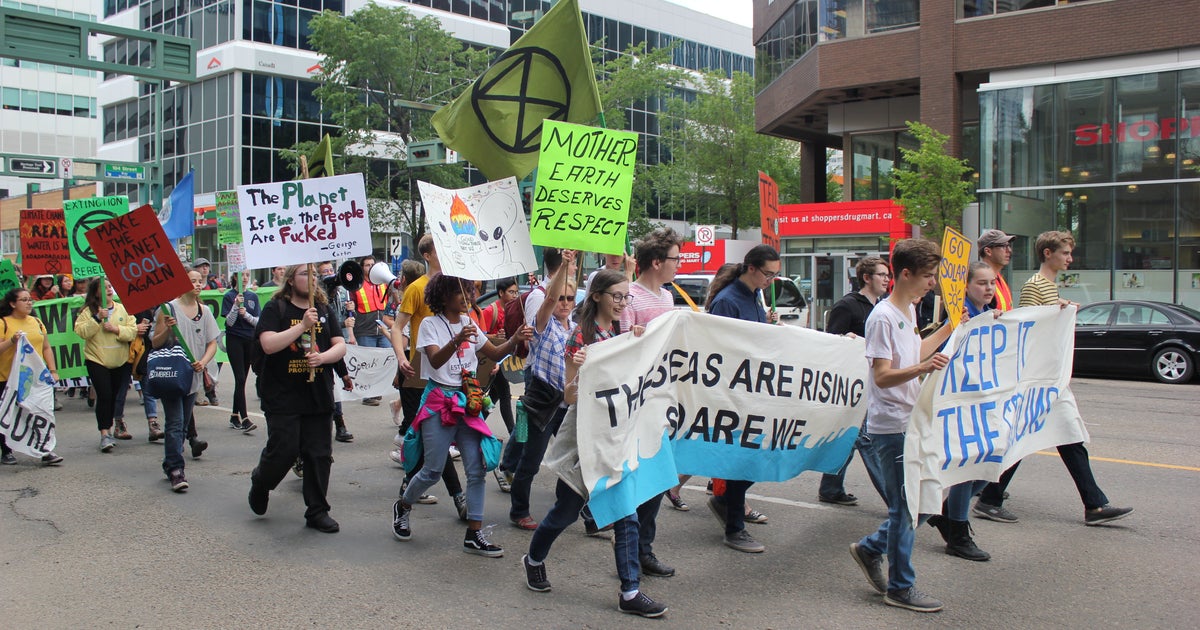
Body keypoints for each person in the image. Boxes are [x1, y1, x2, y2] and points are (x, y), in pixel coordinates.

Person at [521, 269, 668, 618]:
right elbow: (569, 398)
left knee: (626, 513)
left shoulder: (621, 332)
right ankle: (533, 558)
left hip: (616, 440)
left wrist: (636, 344)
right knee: (565, 513)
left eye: (625, 297)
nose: (622, 303)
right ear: (598, 296)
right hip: (586, 442)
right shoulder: (580, 337)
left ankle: (630, 590)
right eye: (616, 296)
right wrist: (576, 366)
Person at [973, 231, 1133, 526]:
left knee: (1066, 434)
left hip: (1048, 376)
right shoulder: (1034, 285)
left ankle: (1093, 504)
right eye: (1066, 253)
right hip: (1039, 376)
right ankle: (989, 497)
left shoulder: (1042, 286)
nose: (1070, 259)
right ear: (1048, 253)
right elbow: (1028, 326)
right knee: (1026, 437)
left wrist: (1059, 309)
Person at [847, 238, 956, 613]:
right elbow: (882, 376)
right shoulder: (881, 317)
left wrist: (947, 331)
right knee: (906, 508)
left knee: (924, 503)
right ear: (904, 274)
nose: (932, 283)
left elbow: (916, 352)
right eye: (927, 276)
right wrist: (923, 369)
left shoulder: (909, 311)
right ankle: (900, 586)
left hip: (913, 421)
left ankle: (870, 548)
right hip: (891, 426)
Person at [390, 273, 532, 555]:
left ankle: (474, 534)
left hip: (468, 403)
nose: (468, 297)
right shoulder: (431, 324)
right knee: (431, 470)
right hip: (439, 400)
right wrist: (456, 340)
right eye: (461, 292)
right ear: (443, 297)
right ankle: (404, 505)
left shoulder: (469, 323)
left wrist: (515, 338)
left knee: (476, 470)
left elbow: (494, 352)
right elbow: (434, 360)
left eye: (469, 291)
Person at [247, 264, 347, 533]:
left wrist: (323, 357)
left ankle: (317, 510)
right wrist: (302, 326)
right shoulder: (275, 309)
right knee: (284, 451)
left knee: (319, 455)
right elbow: (268, 344)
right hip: (282, 395)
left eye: (315, 275)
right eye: (306, 274)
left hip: (317, 395)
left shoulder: (324, 310)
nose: (313, 279)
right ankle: (262, 481)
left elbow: (340, 344)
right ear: (290, 280)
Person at [704, 246, 783, 554]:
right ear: (751, 268)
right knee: (742, 461)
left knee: (759, 455)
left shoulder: (754, 296)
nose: (771, 280)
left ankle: (726, 502)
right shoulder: (727, 301)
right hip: (733, 394)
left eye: (776, 274)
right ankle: (734, 527)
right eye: (768, 274)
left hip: (753, 391)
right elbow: (720, 349)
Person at [924, 262, 1002, 562]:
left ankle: (947, 512)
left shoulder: (986, 314)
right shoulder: (959, 314)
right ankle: (957, 532)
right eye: (982, 283)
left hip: (981, 399)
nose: (989, 288)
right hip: (960, 401)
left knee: (994, 458)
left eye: (992, 283)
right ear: (966, 286)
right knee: (968, 466)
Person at [615, 227, 681, 576]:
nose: (678, 265)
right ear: (656, 262)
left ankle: (644, 550)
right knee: (634, 481)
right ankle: (629, 552)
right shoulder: (631, 297)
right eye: (674, 259)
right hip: (633, 401)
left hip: (659, 400)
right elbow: (621, 345)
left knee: (655, 478)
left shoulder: (668, 298)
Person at [390, 236, 465, 511]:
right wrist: (401, 359)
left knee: (434, 436)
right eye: (440, 249)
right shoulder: (417, 289)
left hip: (449, 376)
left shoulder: (455, 287)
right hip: (418, 373)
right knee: (429, 436)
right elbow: (398, 327)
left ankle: (410, 485)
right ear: (427, 254)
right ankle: (458, 496)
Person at [508, 251, 576, 531]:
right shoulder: (543, 324)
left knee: (572, 460)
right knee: (531, 462)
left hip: (567, 404)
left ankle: (577, 510)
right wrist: (566, 266)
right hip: (542, 402)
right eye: (561, 298)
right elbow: (548, 299)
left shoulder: (575, 327)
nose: (565, 303)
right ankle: (519, 511)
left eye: (570, 298)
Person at [817, 257, 891, 506]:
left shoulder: (881, 307)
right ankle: (896, 500)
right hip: (852, 387)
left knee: (848, 439)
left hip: (873, 383)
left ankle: (830, 488)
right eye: (881, 275)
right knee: (866, 440)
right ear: (866, 278)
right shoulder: (847, 306)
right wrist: (844, 339)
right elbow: (831, 343)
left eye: (887, 275)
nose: (886, 279)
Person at [152, 269, 220, 492]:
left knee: (181, 425)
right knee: (174, 422)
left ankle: (169, 461)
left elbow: (212, 342)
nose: (198, 284)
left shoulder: (205, 311)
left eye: (200, 281)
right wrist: (168, 329)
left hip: (193, 376)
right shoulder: (168, 309)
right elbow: (155, 342)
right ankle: (176, 470)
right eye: (193, 281)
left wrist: (203, 361)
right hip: (173, 375)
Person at [0, 288, 64, 466]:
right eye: (24, 300)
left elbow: (46, 348)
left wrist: (52, 370)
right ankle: (6, 450)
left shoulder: (36, 322)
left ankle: (44, 450)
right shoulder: (3, 323)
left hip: (34, 380)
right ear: (13, 304)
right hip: (7, 379)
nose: (29, 303)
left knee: (39, 412)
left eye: (30, 300)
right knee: (9, 415)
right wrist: (12, 341)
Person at [74, 278, 136, 453]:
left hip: (120, 360)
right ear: (95, 292)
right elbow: (81, 332)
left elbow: (132, 331)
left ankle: (110, 428)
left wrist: (116, 329)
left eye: (110, 286)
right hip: (97, 360)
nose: (108, 289)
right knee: (105, 395)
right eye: (104, 287)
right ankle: (105, 433)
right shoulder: (88, 312)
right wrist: (96, 319)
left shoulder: (122, 309)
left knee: (115, 396)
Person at [479, 277, 518, 491]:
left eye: (515, 292)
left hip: (505, 359)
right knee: (504, 394)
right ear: (501, 293)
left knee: (493, 397)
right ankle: (513, 432)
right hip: (493, 359)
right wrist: (496, 335)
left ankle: (476, 425)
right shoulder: (490, 311)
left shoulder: (512, 310)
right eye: (511, 292)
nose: (514, 295)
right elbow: (480, 336)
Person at [346, 254, 392, 407]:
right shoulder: (356, 285)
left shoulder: (382, 282)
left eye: (373, 264)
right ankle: (368, 394)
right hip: (365, 329)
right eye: (367, 265)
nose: (371, 267)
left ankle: (376, 390)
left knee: (383, 361)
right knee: (368, 363)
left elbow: (391, 302)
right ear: (362, 267)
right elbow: (350, 308)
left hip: (381, 328)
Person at [317, 261, 354, 443]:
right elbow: (328, 328)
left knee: (334, 389)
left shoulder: (340, 294)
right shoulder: (316, 302)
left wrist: (344, 373)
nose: (330, 274)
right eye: (325, 272)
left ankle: (339, 424)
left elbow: (334, 334)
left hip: (332, 349)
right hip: (316, 353)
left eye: (331, 270)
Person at [221, 271, 260, 434]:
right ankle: (244, 418)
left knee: (242, 380)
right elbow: (229, 322)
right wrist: (236, 306)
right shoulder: (229, 296)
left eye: (247, 274)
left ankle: (234, 415)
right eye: (242, 275)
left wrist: (247, 315)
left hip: (249, 339)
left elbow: (257, 321)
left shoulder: (253, 296)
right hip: (234, 339)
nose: (245, 278)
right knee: (240, 377)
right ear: (235, 277)